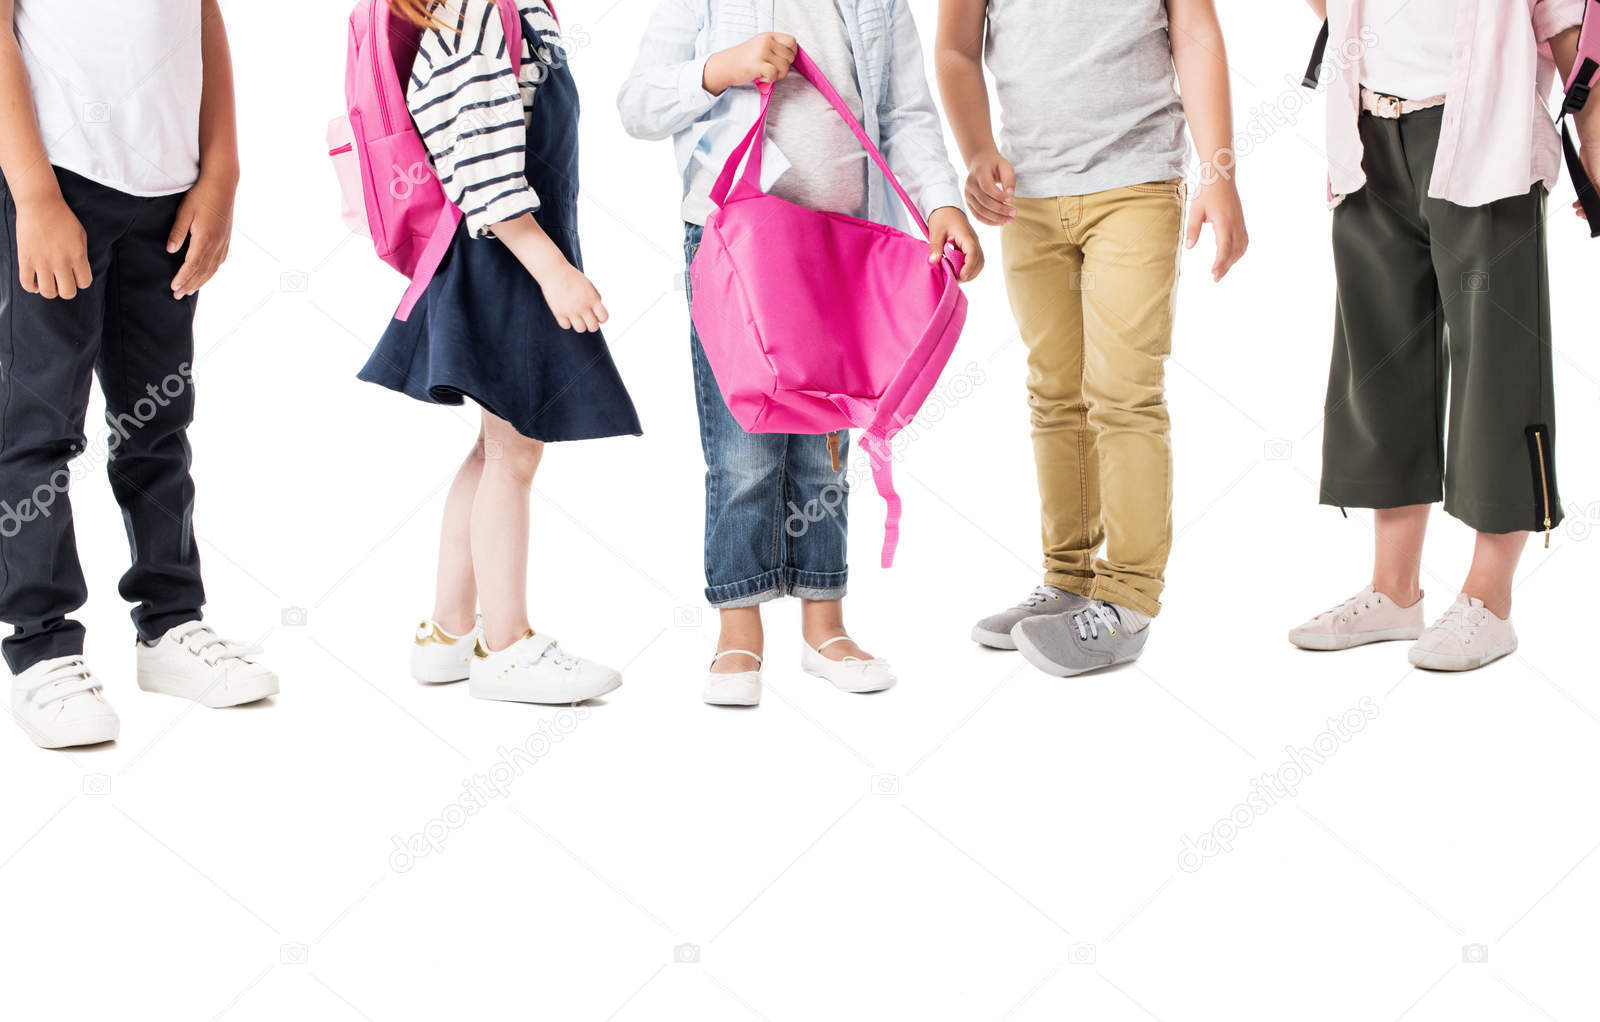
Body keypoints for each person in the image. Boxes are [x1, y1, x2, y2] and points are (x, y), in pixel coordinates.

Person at [620, 0, 983, 707]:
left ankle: (826, 622)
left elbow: (904, 111)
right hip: (736, 241)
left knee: (825, 442)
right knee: (742, 446)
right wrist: (720, 69)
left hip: (843, 241)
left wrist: (940, 203)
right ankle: (738, 626)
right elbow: (636, 104)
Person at [936, 0, 1247, 678]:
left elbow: (1195, 33)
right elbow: (957, 49)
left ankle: (1129, 600)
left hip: (1135, 183)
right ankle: (1069, 580)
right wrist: (978, 150)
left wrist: (1219, 174)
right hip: (1029, 197)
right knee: (1055, 391)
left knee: (1124, 393)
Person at [1288, 0, 1598, 672]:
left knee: (1497, 365)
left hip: (1484, 135)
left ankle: (1488, 601)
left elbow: (1568, 27)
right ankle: (1394, 591)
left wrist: (1596, 137)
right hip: (1370, 133)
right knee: (1378, 356)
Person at [1, 0, 278, 749]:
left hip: (166, 190)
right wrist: (33, 195)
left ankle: (170, 624)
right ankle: (41, 647)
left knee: (158, 420)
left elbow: (202, 18)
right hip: (59, 182)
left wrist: (220, 172)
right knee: (40, 425)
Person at [362, 0, 641, 706]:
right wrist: (553, 270)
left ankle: (449, 632)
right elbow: (484, 165)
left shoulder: (509, 9)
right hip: (505, 254)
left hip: (498, 252)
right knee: (515, 452)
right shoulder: (480, 11)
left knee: (495, 450)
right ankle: (507, 645)